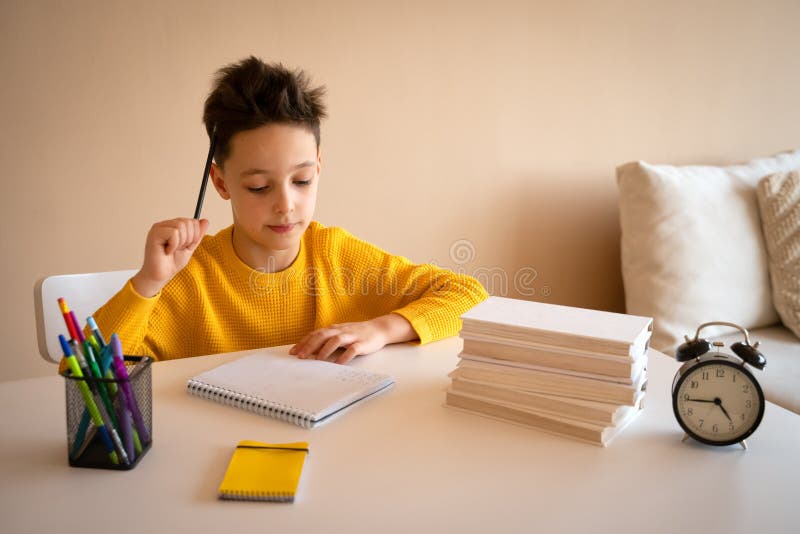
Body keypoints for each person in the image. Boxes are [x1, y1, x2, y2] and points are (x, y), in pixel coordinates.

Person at [78, 56, 487, 367]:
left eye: (303, 180)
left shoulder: (336, 255)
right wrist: (148, 282)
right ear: (220, 183)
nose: (286, 204)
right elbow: (82, 371)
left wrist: (381, 328)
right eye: (259, 186)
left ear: (319, 167)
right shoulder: (188, 279)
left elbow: (469, 295)